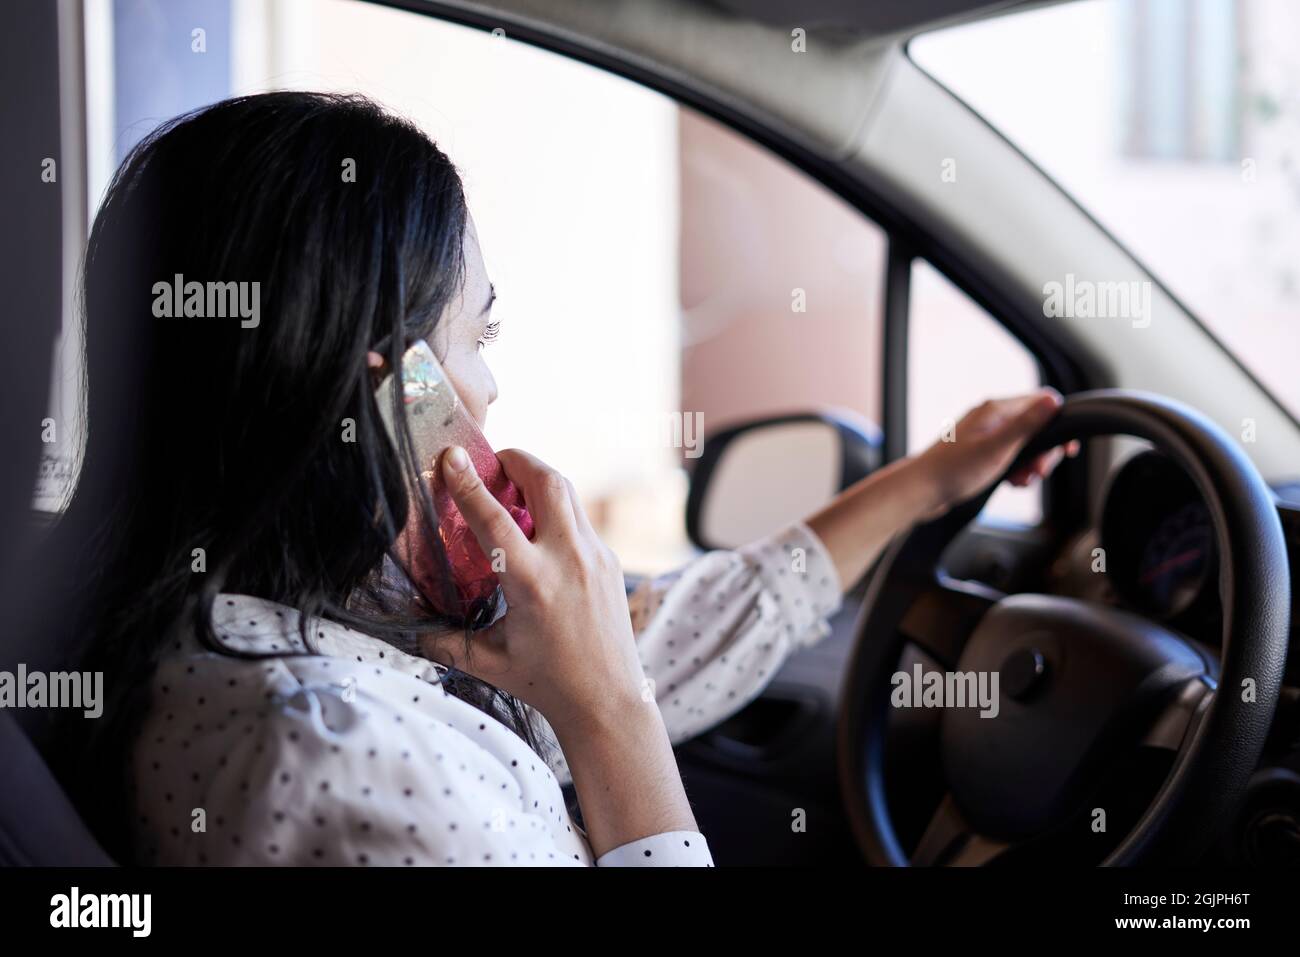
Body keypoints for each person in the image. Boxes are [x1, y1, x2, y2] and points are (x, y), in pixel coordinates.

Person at [52, 91, 1069, 867]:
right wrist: (611, 719)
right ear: (390, 390)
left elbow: (651, 645)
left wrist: (934, 477)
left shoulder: (270, 616)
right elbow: (604, 689)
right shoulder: (346, 761)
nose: (488, 392)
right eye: (476, 335)